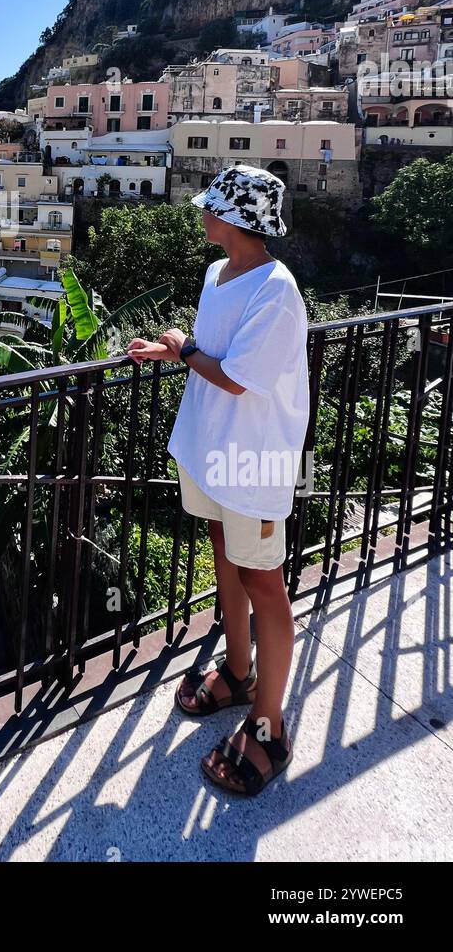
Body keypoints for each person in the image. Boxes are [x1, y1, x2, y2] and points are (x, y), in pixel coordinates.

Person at [127, 163, 309, 797]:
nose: (201, 213)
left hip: (252, 460)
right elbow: (212, 351)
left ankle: (269, 727)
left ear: (234, 219)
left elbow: (235, 376)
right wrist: (172, 349)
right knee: (222, 554)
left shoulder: (278, 292)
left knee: (263, 578)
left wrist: (182, 353)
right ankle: (237, 672)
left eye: (211, 207)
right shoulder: (218, 273)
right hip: (210, 446)